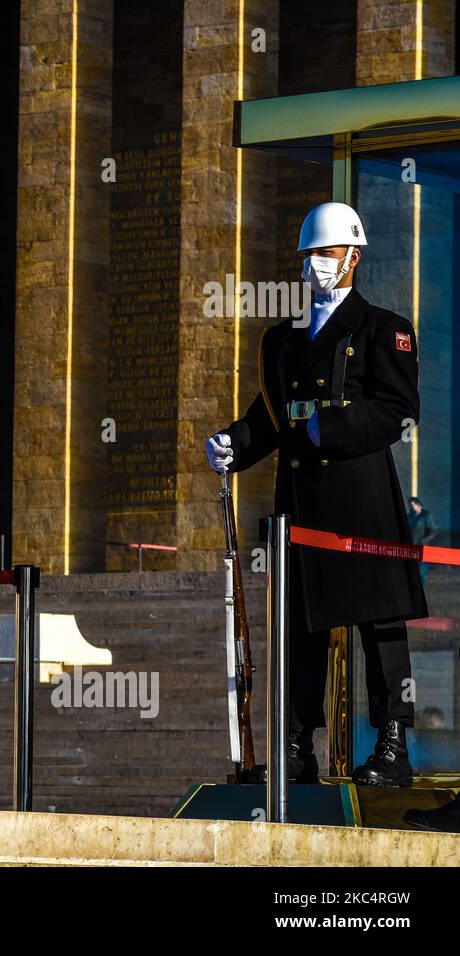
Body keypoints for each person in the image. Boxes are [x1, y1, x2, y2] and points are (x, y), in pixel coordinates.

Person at [206, 201, 424, 789]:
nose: (315, 265)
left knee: (380, 625)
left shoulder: (385, 328)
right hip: (300, 508)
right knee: (299, 630)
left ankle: (392, 745)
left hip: (362, 501)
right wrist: (234, 442)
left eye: (325, 253)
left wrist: (336, 425)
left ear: (353, 256)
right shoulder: (283, 340)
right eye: (309, 255)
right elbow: (270, 417)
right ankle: (298, 746)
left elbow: (399, 409)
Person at [408, 496, 437, 585]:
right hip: (410, 547)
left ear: (419, 505)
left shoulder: (426, 516)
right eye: (410, 505)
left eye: (413, 505)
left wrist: (423, 540)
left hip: (422, 547)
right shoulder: (409, 516)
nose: (412, 507)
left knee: (421, 569)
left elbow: (432, 530)